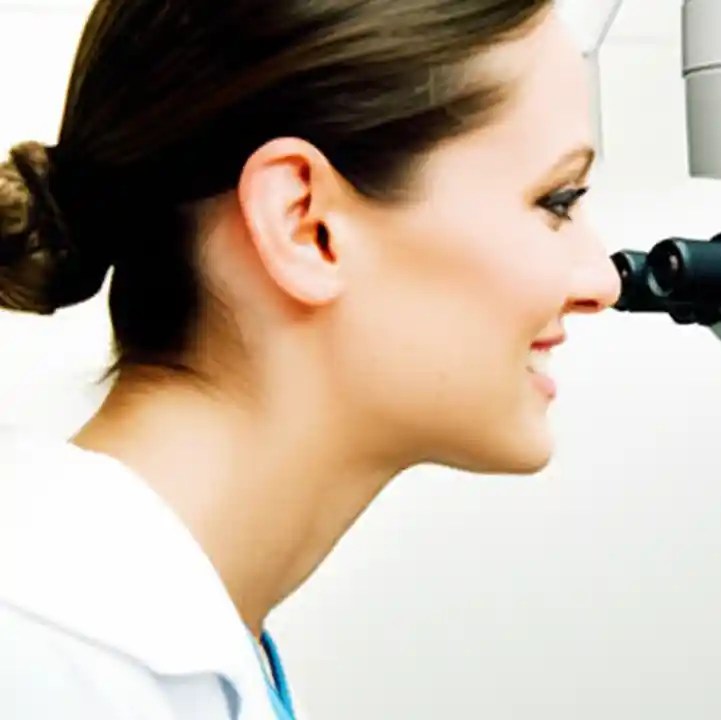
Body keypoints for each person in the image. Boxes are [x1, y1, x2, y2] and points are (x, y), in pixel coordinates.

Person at [0, 1, 620, 718]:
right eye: (557, 200)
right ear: (306, 224)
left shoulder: (118, 641)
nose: (600, 282)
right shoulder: (49, 666)